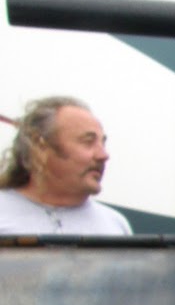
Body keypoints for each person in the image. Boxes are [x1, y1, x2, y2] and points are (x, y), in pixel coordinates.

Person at [0, 96, 133, 236]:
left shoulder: (114, 225)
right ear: (40, 146)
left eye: (102, 143)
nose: (103, 155)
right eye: (88, 142)